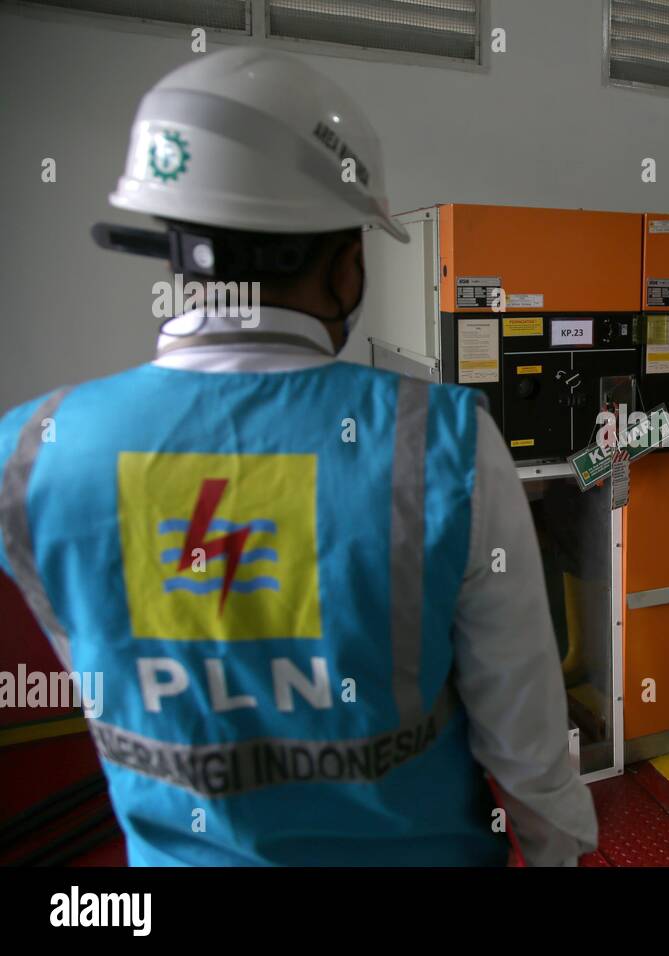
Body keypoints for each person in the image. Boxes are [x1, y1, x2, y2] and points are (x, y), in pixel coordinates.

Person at [0, 47, 596, 866]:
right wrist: (559, 853)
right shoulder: (442, 440)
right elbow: (526, 745)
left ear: (173, 249)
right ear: (347, 261)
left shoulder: (32, 450)